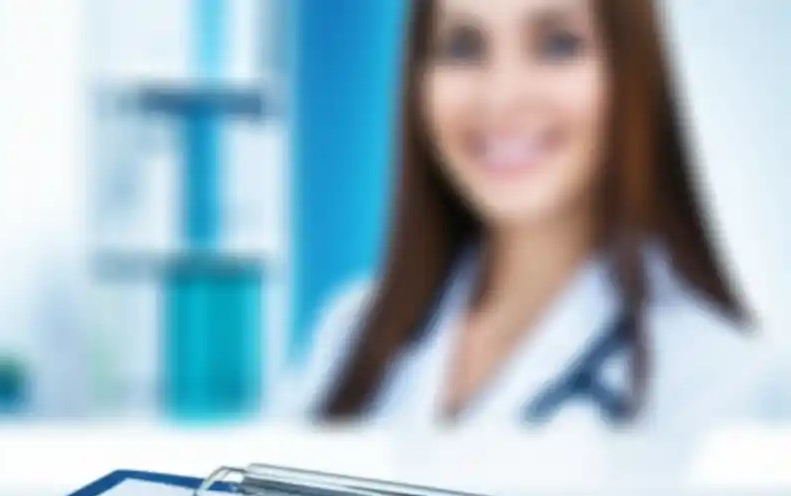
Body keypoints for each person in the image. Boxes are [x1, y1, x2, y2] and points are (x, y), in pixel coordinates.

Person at [302, 0, 767, 431]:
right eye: (463, 47)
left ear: (631, 70)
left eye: (557, 45)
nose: (502, 97)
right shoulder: (348, 334)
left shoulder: (718, 376)